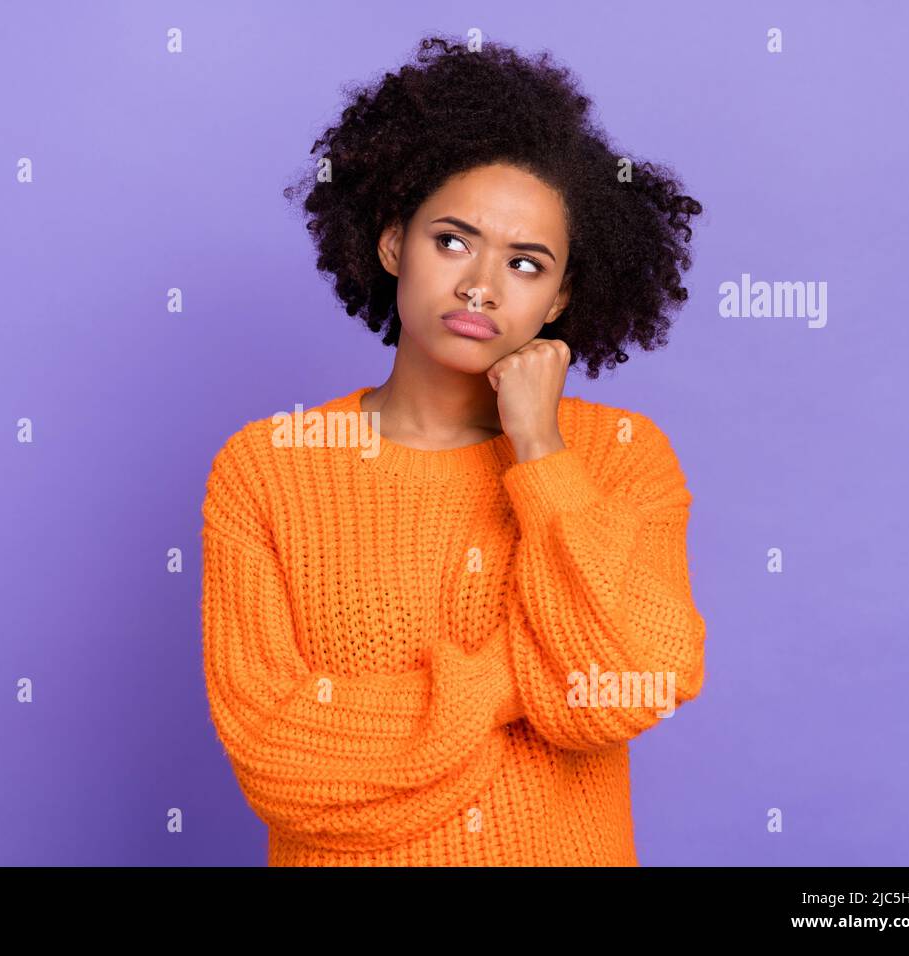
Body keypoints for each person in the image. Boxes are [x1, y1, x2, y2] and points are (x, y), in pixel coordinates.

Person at [200, 35, 707, 866]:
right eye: (452, 241)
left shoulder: (620, 456)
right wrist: (520, 683)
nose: (482, 284)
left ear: (561, 297)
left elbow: (638, 681)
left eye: (527, 262)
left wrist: (540, 450)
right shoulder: (269, 467)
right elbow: (280, 761)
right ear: (394, 244)